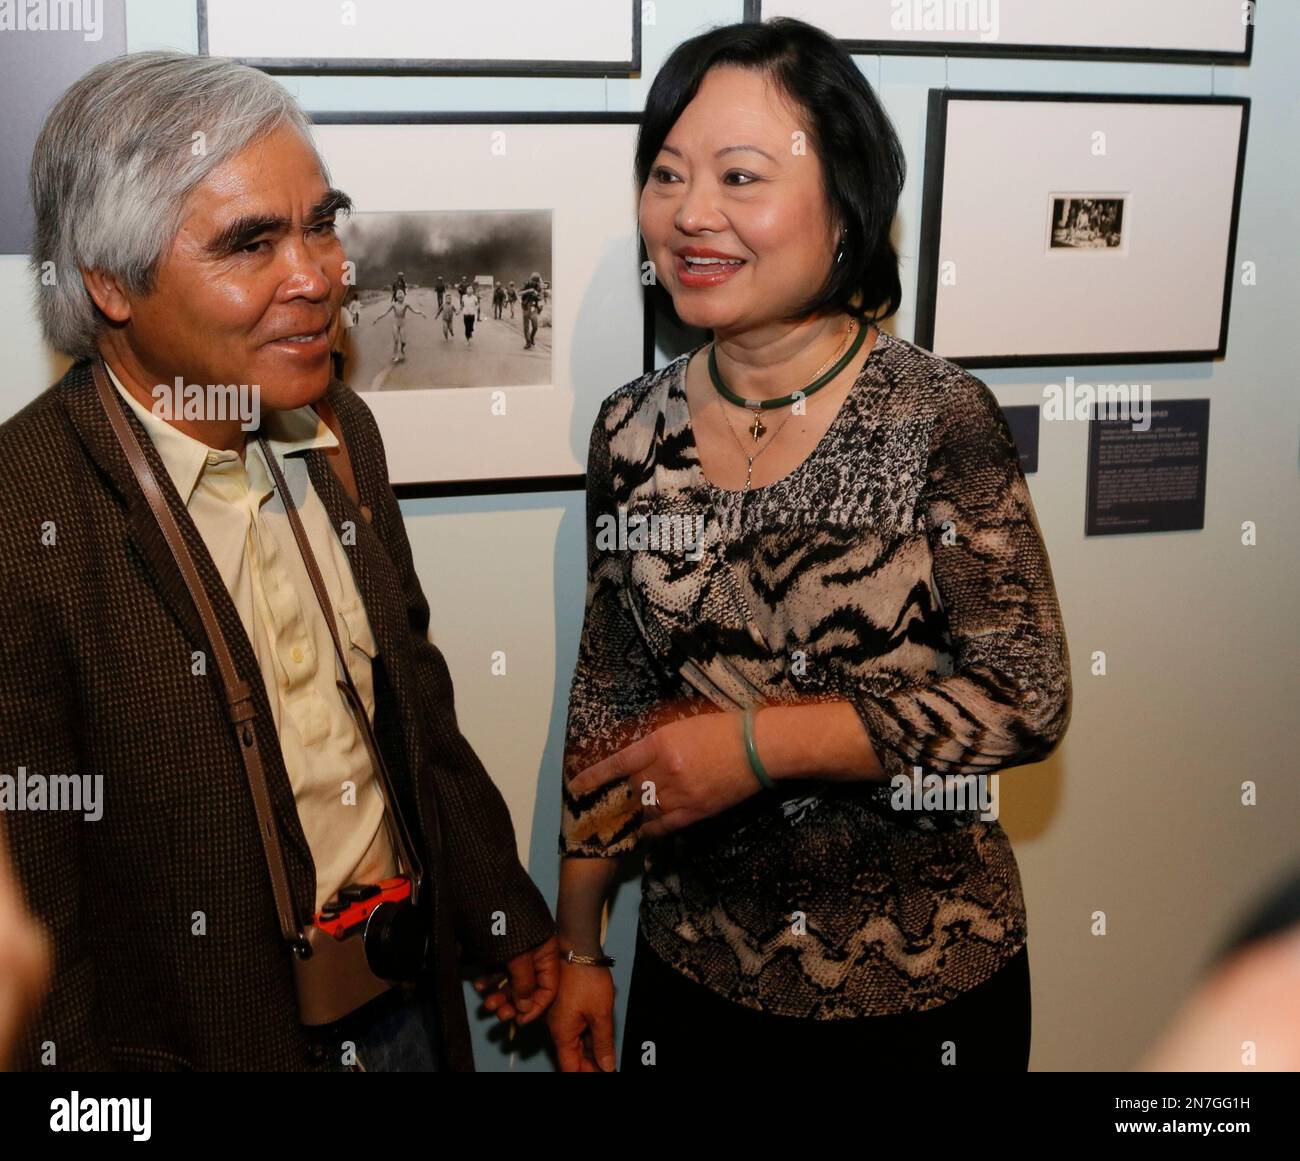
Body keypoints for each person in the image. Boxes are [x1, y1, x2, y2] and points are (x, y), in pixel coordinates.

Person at [2, 49, 557, 1072]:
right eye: (251, 243)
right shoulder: (23, 513)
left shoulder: (339, 431)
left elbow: (417, 707)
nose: (319, 276)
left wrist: (497, 912)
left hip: (405, 1006)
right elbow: (33, 903)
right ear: (110, 284)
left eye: (320, 223)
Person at [548, 18, 1071, 1073]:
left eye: (741, 176)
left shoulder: (934, 416)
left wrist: (752, 747)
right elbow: (609, 697)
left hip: (917, 987)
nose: (691, 213)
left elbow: (1027, 697)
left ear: (845, 208)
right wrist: (579, 947)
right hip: (692, 973)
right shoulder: (629, 428)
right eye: (666, 174)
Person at [371, 286, 425, 364]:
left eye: (401, 295)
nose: (400, 297)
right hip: (395, 323)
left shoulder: (406, 304)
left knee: (403, 342)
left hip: (402, 324)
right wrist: (377, 318)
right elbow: (385, 312)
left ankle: (402, 348)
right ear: (396, 297)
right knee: (396, 340)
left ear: (404, 297)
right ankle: (395, 355)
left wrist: (421, 313)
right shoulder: (394, 304)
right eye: (399, 295)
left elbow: (414, 310)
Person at [520, 276, 543, 349]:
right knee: (526, 327)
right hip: (526, 307)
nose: (539, 283)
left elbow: (541, 298)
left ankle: (531, 337)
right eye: (538, 281)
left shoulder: (539, 288)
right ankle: (528, 342)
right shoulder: (527, 285)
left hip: (534, 308)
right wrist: (528, 290)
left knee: (535, 326)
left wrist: (540, 296)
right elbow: (519, 293)